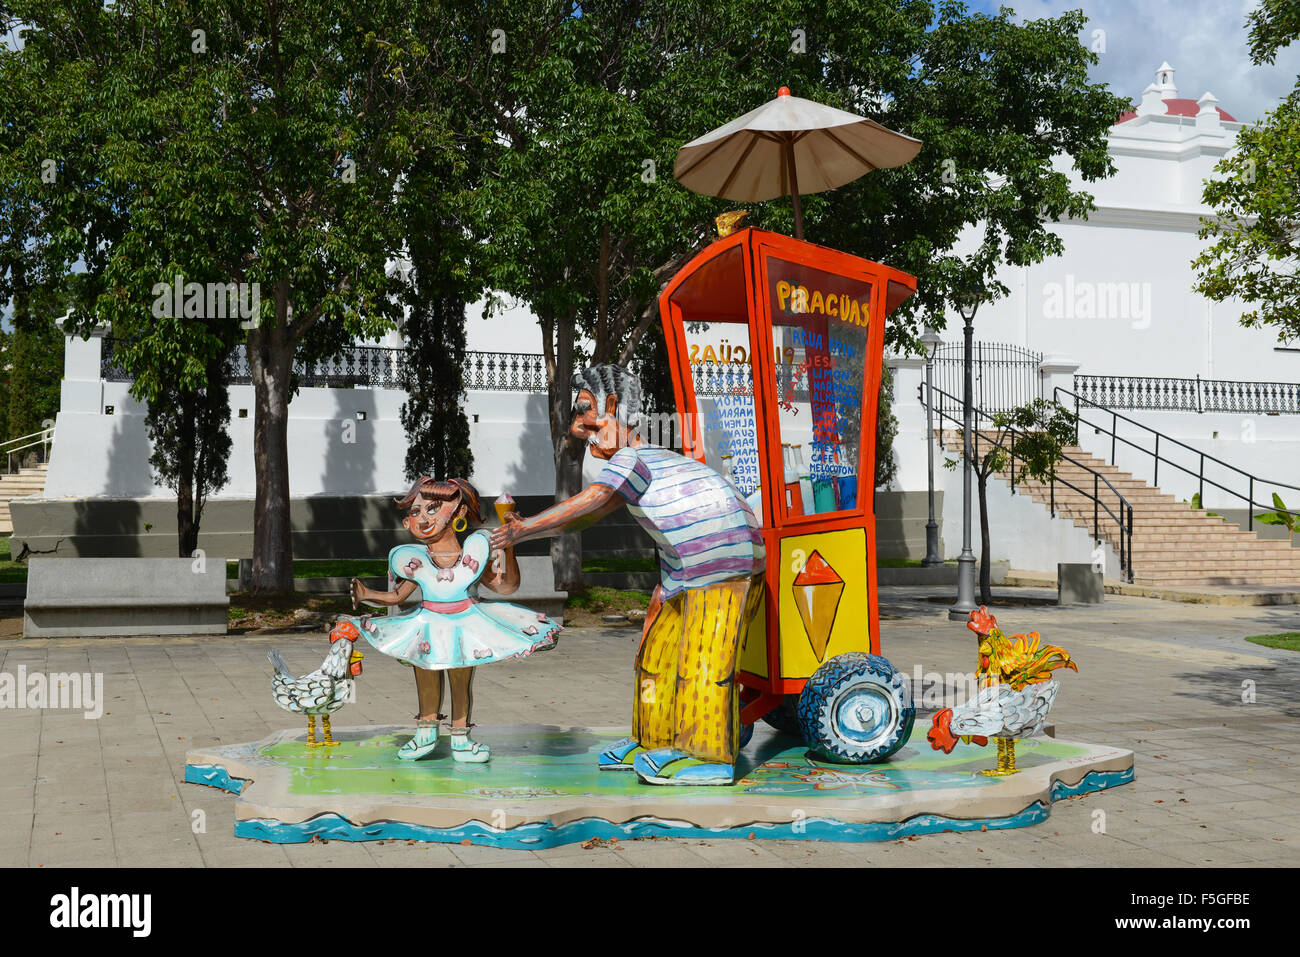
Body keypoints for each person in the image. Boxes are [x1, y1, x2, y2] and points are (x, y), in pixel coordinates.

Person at [491, 364, 765, 785]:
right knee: (655, 655)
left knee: (701, 659)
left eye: (585, 412)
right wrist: (665, 587)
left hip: (724, 559)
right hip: (687, 566)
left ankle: (708, 754)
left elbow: (590, 506)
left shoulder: (632, 458)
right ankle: (652, 739)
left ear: (614, 406)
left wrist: (524, 528)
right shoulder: (647, 462)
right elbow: (664, 530)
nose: (580, 428)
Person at [331, 476, 560, 763]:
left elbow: (505, 586)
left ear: (460, 512)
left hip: (466, 625)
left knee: (460, 681)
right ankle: (425, 735)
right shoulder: (415, 559)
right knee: (426, 675)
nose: (423, 518)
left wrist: (509, 543)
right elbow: (398, 596)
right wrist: (366, 593)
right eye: (415, 511)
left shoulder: (474, 553)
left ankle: (461, 738)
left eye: (433, 509)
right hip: (426, 626)